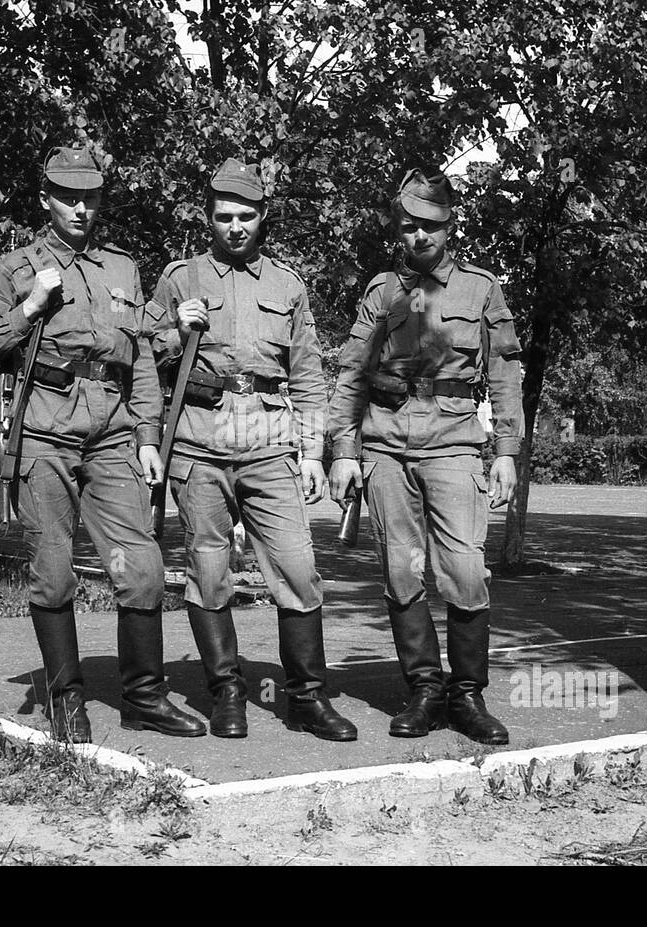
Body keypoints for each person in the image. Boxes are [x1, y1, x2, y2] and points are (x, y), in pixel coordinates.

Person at [0, 145, 205, 744]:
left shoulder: (123, 268)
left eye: (89, 196)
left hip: (114, 433)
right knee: (53, 572)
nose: (79, 207)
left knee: (143, 567)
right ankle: (67, 698)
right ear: (46, 198)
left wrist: (148, 434)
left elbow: (141, 354)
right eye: (68, 196)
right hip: (44, 433)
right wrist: (30, 306)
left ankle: (144, 697)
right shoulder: (18, 267)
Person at [145, 158, 357, 742]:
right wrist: (170, 333)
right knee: (209, 571)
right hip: (198, 440)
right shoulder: (179, 278)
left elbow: (309, 373)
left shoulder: (288, 285)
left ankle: (307, 700)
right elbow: (140, 356)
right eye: (223, 217)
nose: (235, 227)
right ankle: (227, 695)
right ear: (208, 217)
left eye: (246, 217)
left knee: (298, 568)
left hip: (268, 441)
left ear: (263, 217)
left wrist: (314, 451)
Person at [327, 168, 523, 744]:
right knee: (401, 570)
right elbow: (351, 372)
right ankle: (424, 691)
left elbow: (505, 374)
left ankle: (467, 696)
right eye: (409, 226)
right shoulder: (381, 291)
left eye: (429, 226)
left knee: (463, 569)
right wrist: (343, 449)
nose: (418, 238)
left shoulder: (481, 288)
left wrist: (506, 451)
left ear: (449, 226)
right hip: (386, 444)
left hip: (455, 442)